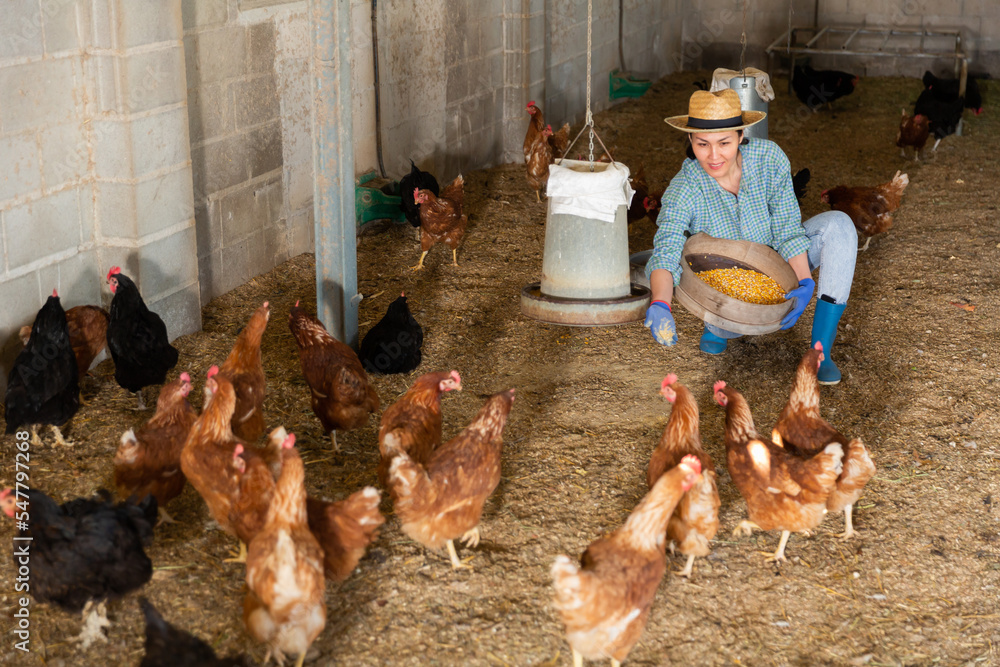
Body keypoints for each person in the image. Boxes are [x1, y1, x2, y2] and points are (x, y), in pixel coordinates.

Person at [643, 88, 856, 385]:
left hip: (777, 264)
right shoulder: (684, 188)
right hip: (725, 296)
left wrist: (805, 280)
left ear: (742, 135)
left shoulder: (769, 159)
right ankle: (714, 328)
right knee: (727, 325)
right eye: (702, 144)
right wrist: (660, 304)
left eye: (724, 143)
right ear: (690, 140)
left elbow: (786, 226)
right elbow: (666, 249)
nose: (714, 155)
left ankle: (820, 352)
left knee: (840, 225)